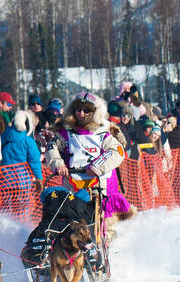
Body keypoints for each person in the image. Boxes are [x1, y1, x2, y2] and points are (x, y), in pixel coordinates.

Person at [45, 91, 129, 219]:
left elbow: (117, 151)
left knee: (100, 218)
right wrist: (59, 165)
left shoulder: (102, 131)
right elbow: (52, 147)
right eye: (78, 110)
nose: (81, 114)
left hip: (98, 183)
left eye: (86, 111)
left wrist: (97, 167)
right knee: (70, 217)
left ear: (94, 112)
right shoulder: (66, 131)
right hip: (72, 181)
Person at [0, 109, 43, 182]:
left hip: (4, 180)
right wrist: (39, 179)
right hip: (22, 181)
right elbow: (34, 161)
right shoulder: (28, 141)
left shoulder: (2, 136)